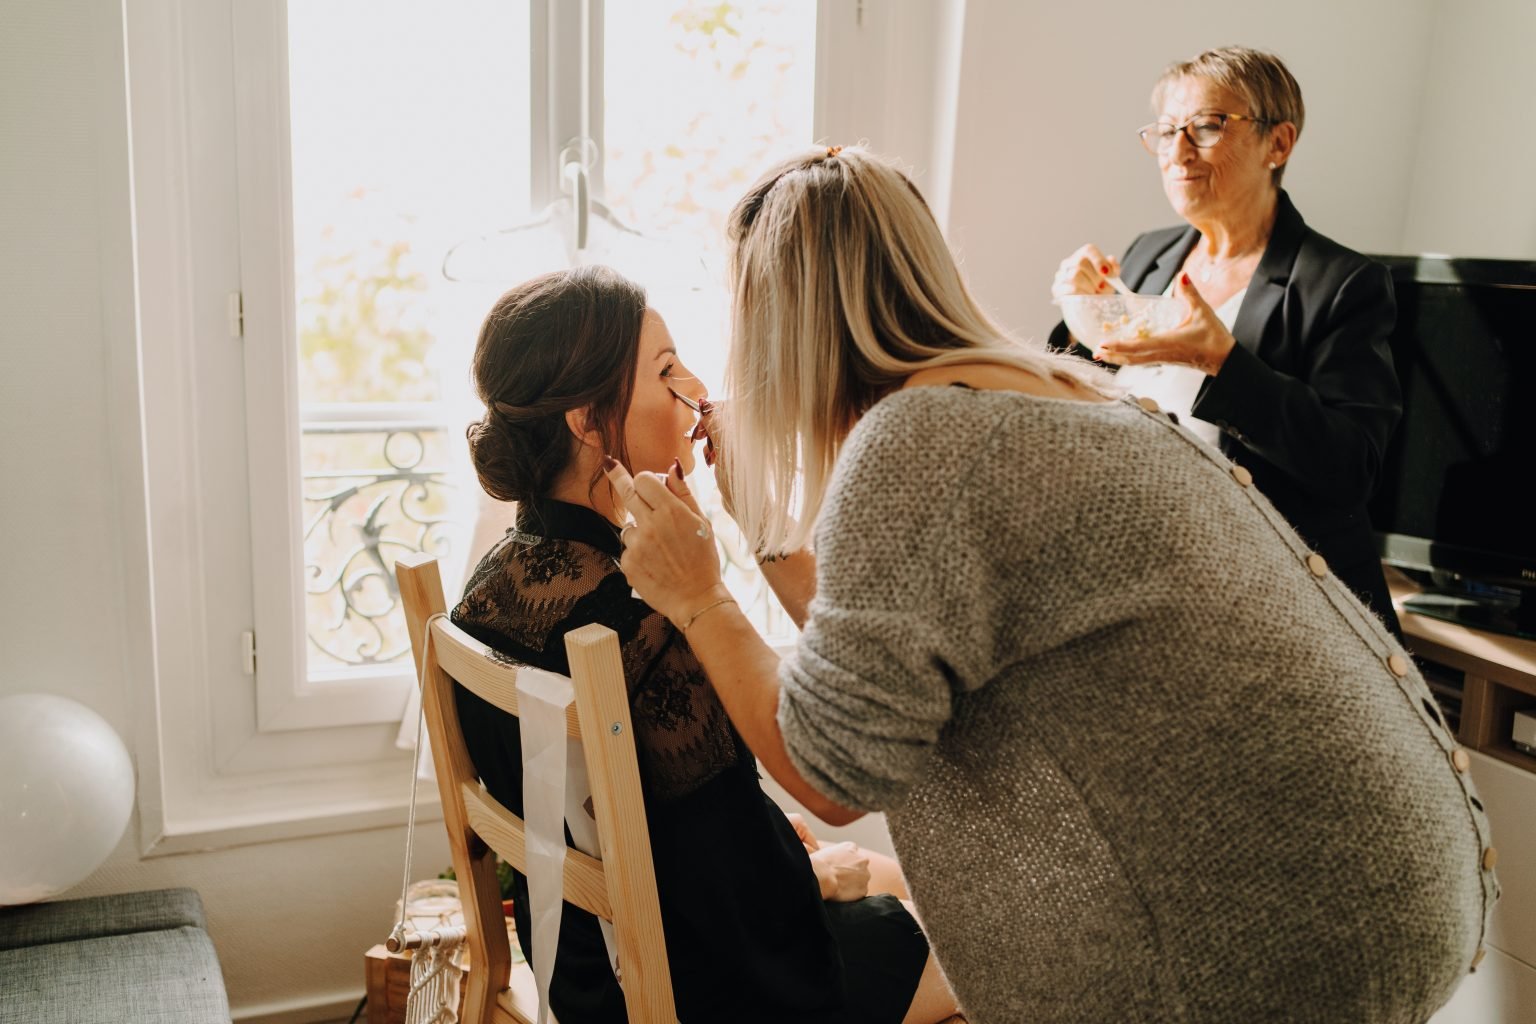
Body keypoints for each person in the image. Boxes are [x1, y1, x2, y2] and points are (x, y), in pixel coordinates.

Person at [605, 146, 1496, 1024]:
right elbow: (889, 672)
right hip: (1386, 877)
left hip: (1280, 942)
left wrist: (700, 597)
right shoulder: (1051, 385)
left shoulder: (918, 447)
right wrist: (762, 526)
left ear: (784, 325)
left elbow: (834, 770)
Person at [450, 265, 959, 1024]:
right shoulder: (649, 618)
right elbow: (746, 856)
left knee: (889, 876)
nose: (697, 387)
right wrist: (813, 878)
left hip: (582, 959)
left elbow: (670, 825)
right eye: (666, 370)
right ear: (589, 421)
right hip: (700, 981)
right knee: (987, 951)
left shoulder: (498, 579)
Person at [1048, 46, 1403, 635]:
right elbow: (1087, 393)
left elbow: (1352, 467)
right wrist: (1079, 313)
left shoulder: (1342, 284)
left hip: (1271, 597)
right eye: (1166, 131)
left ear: (1278, 144)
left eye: (1208, 127)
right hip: (1135, 576)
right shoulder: (1149, 252)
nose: (1178, 151)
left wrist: (1221, 362)